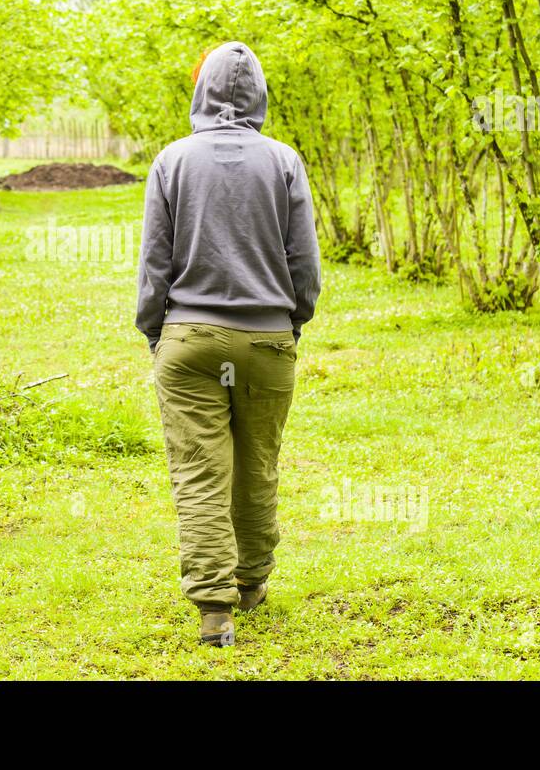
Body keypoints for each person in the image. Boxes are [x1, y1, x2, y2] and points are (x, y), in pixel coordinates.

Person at [136, 41, 321, 647]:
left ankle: (215, 611)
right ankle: (251, 582)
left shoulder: (172, 160)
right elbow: (305, 265)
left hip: (189, 341)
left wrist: (155, 331)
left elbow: (154, 265)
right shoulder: (285, 161)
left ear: (202, 91)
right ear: (259, 94)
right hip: (268, 341)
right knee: (256, 466)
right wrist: (291, 322)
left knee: (199, 472)